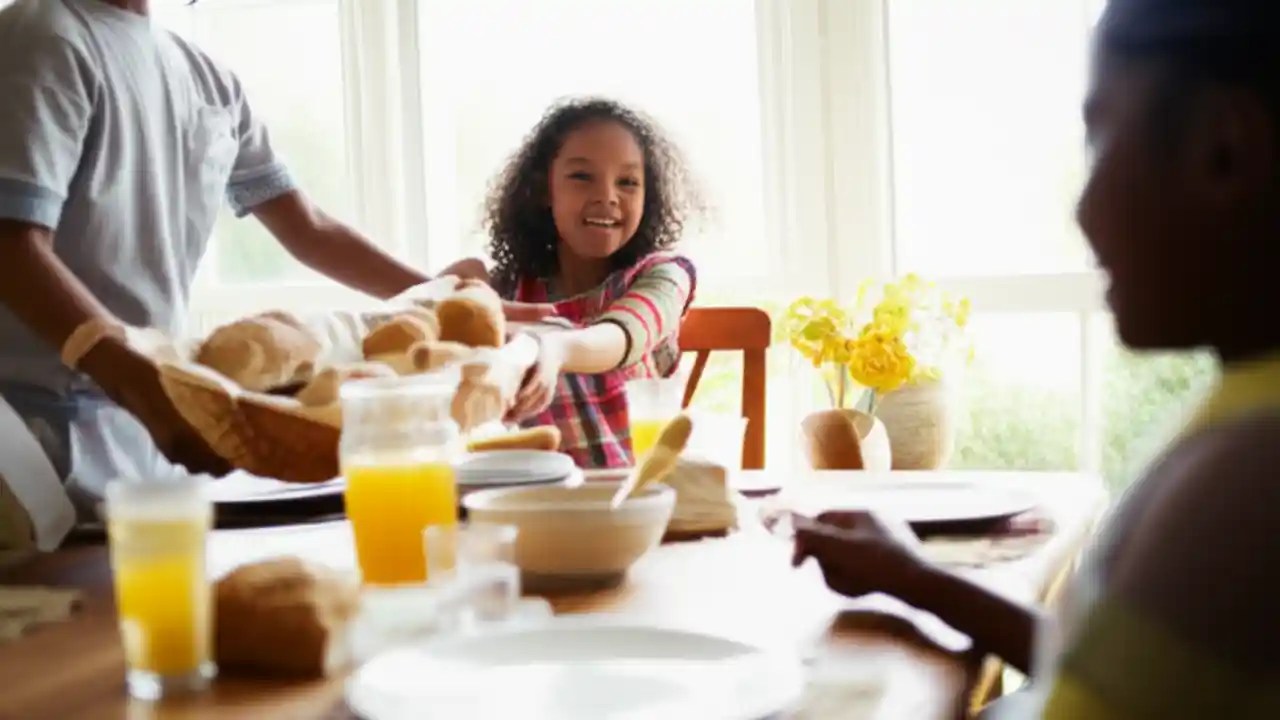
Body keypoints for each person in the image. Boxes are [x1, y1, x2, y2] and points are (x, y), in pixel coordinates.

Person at [792, 0, 1280, 717]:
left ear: (1224, 151)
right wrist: (913, 575)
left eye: (1102, 137)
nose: (1082, 210)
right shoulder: (1249, 404)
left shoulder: (1249, 471)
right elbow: (1116, 677)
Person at [0, 0, 548, 551]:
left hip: (152, 433)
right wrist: (139, 384)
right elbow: (11, 242)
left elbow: (306, 227)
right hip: (41, 440)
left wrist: (440, 300)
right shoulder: (43, 36)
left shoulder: (207, 78)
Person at [479, 98, 702, 469]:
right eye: (582, 177)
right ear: (543, 190)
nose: (607, 196)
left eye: (628, 182)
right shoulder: (508, 295)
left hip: (640, 507)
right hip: (535, 510)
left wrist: (554, 349)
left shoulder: (665, 276)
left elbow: (620, 336)